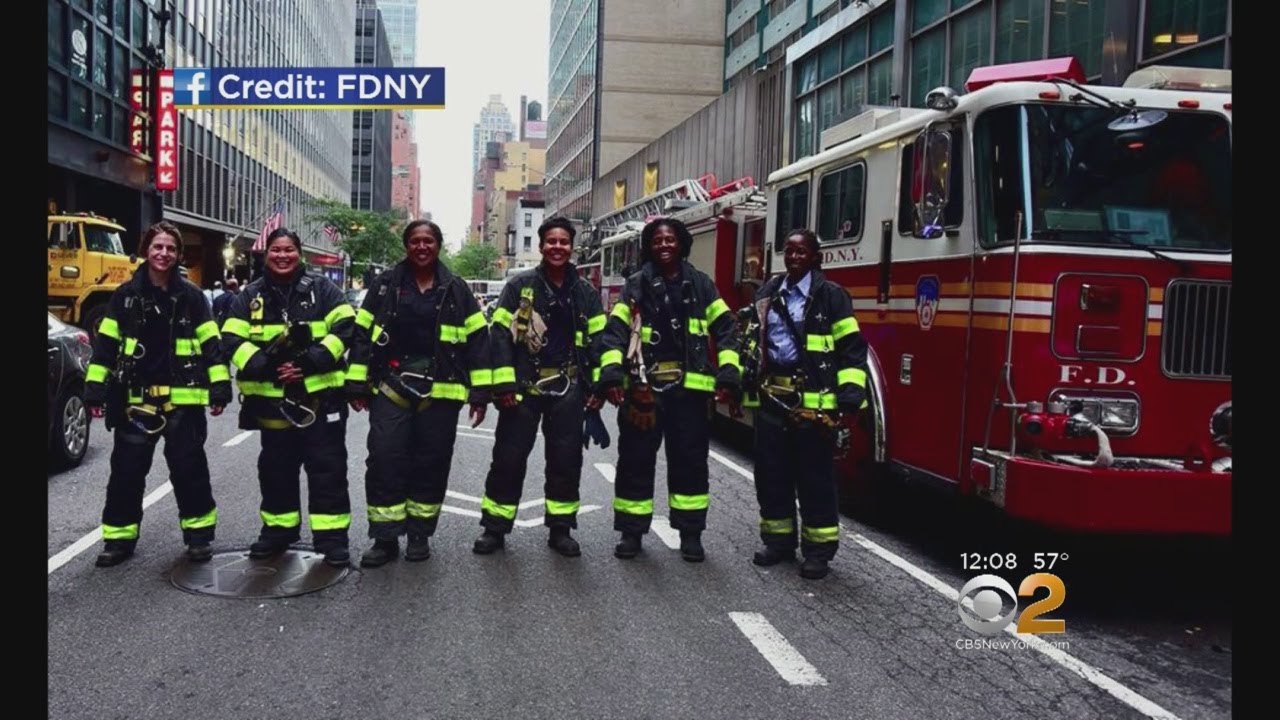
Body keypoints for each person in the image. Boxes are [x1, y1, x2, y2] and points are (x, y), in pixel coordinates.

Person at [83, 221, 231, 567]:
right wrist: (94, 391)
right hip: (137, 402)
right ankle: (118, 540)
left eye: (170, 248)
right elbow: (105, 348)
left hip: (184, 402)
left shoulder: (193, 298)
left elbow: (213, 346)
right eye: (157, 247)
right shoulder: (124, 297)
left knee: (190, 472)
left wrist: (220, 388)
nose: (163, 253)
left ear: (178, 255)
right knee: (126, 474)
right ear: (145, 251)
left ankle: (198, 538)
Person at [345, 220, 490, 567]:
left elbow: (478, 343)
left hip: (441, 393)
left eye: (428, 241)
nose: (421, 247)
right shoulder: (384, 286)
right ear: (406, 246)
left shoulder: (456, 289)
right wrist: (357, 383)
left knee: (431, 462)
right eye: (414, 241)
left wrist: (481, 393)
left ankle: (419, 534)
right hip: (390, 387)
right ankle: (384, 537)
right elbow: (362, 335)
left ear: (438, 246)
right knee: (384, 458)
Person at [597, 217, 741, 562]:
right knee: (634, 462)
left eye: (670, 240)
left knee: (690, 463)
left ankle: (690, 534)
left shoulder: (702, 285)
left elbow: (726, 328)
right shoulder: (635, 286)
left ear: (682, 244)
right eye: (657, 240)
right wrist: (613, 375)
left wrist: (729, 373)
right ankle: (631, 533)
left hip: (689, 395)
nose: (664, 245)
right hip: (643, 393)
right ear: (649, 246)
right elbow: (616, 331)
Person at [221, 228, 356, 568]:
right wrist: (266, 367)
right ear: (266, 255)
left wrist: (308, 364)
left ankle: (332, 538)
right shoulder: (249, 295)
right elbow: (231, 339)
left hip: (319, 400)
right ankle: (278, 531)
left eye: (289, 250)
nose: (283, 256)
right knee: (276, 469)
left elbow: (346, 329)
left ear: (300, 254)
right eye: (276, 250)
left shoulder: (324, 290)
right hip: (273, 403)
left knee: (327, 469)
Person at [472, 217, 607, 557]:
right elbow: (499, 336)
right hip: (523, 390)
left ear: (571, 247)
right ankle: (495, 529)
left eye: (564, 242)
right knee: (508, 458)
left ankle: (561, 529)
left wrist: (597, 387)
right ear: (542, 246)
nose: (558, 247)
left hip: (568, 389)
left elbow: (599, 342)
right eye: (551, 241)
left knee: (565, 460)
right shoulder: (519, 287)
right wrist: (502, 384)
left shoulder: (585, 293)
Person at [743, 229, 868, 580]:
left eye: (803, 252)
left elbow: (852, 351)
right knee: (771, 476)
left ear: (817, 258)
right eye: (790, 251)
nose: (795, 257)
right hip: (772, 400)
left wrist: (849, 399)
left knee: (815, 480)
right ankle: (778, 543)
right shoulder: (768, 292)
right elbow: (753, 343)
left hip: (814, 406)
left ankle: (817, 552)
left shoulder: (832, 297)